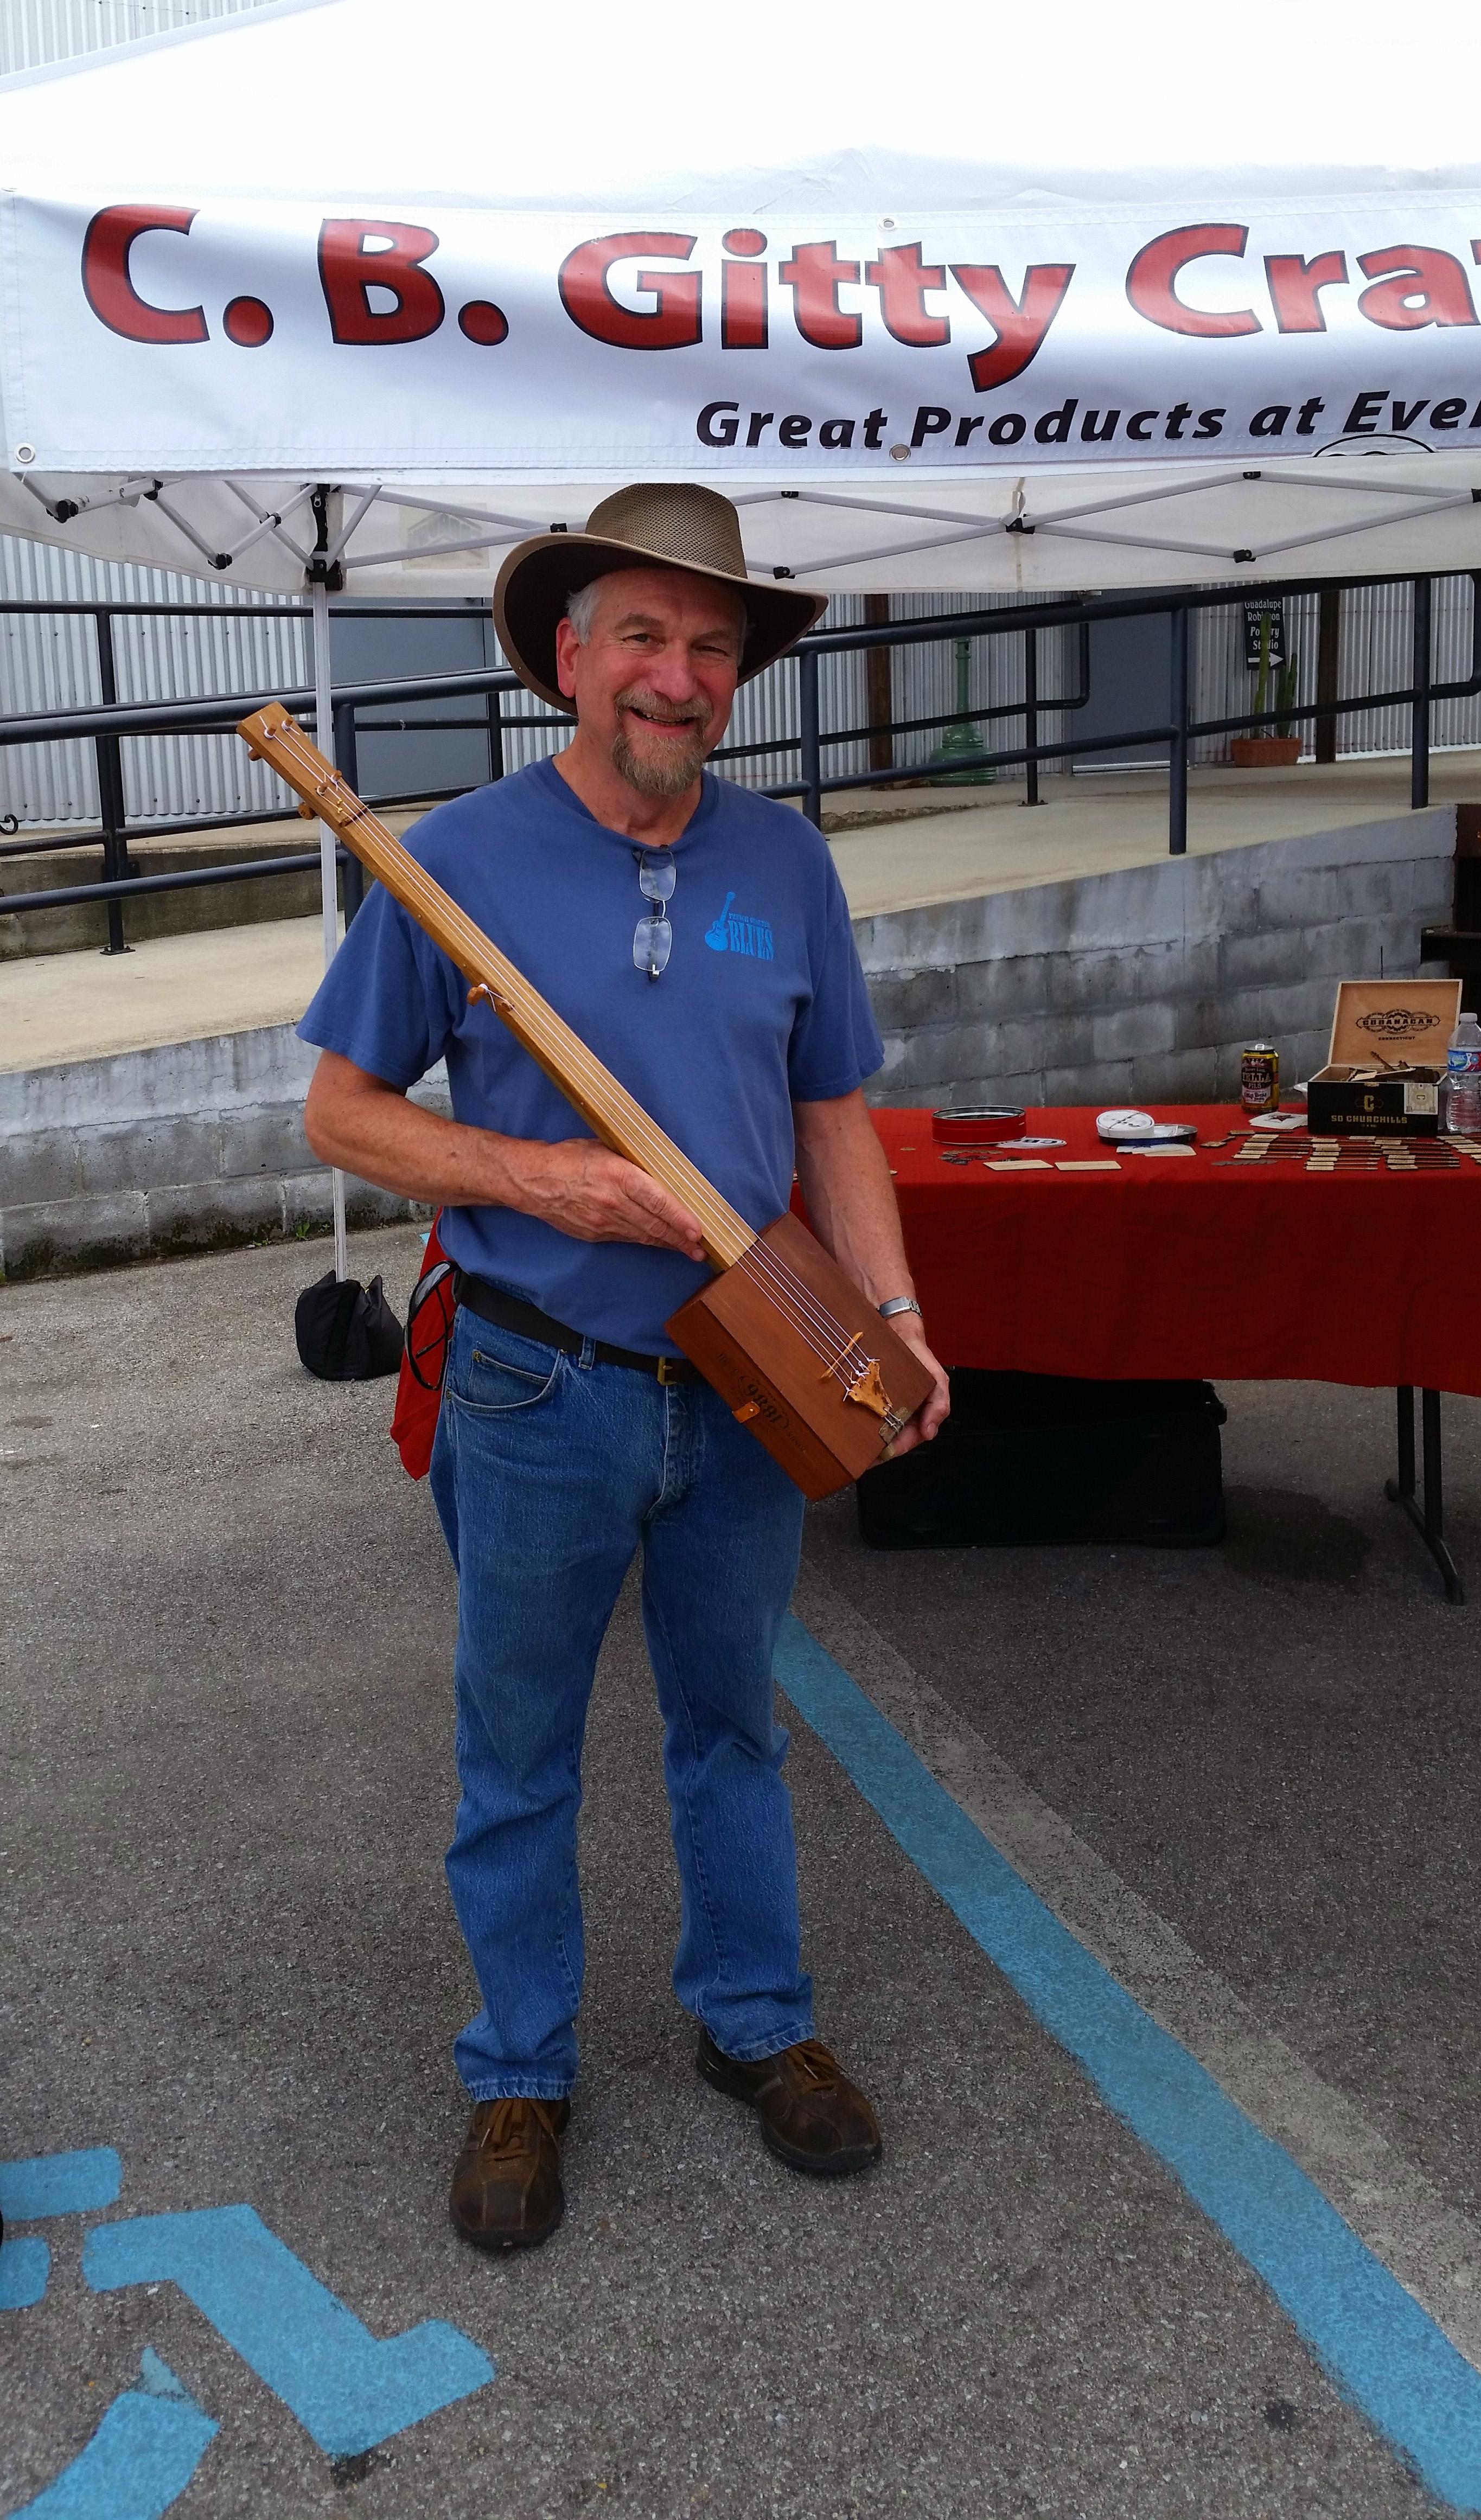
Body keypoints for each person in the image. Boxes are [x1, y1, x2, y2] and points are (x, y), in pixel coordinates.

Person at [298, 482, 949, 2252]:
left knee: (730, 1725)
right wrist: (539, 1176)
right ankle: (520, 2065)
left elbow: (832, 1114)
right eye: (643, 639)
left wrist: (887, 1318)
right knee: (517, 1748)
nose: (677, 675)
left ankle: (757, 2026)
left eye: (711, 646)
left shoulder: (783, 862)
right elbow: (341, 1112)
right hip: (534, 1382)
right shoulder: (457, 865)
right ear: (568, 660)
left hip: (749, 1381)